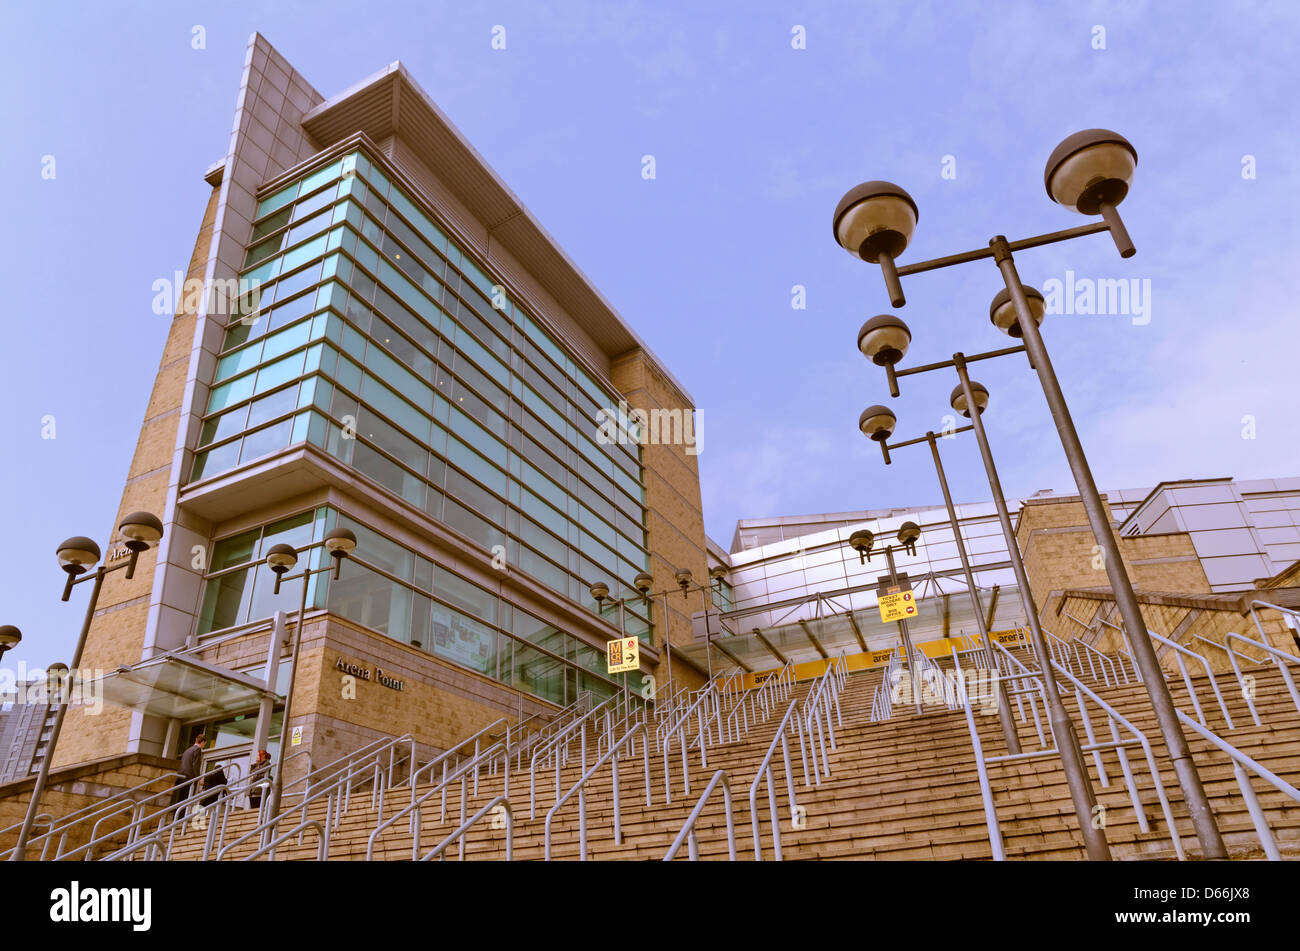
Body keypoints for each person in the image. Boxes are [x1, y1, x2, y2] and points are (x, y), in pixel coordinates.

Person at [169, 733, 207, 819]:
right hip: (189, 777)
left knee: (180, 798)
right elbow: (195, 765)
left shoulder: (188, 750)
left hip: (181, 776)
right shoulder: (197, 750)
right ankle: (181, 818)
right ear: (203, 742)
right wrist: (199, 778)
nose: (204, 745)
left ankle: (176, 817)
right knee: (186, 798)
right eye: (205, 743)